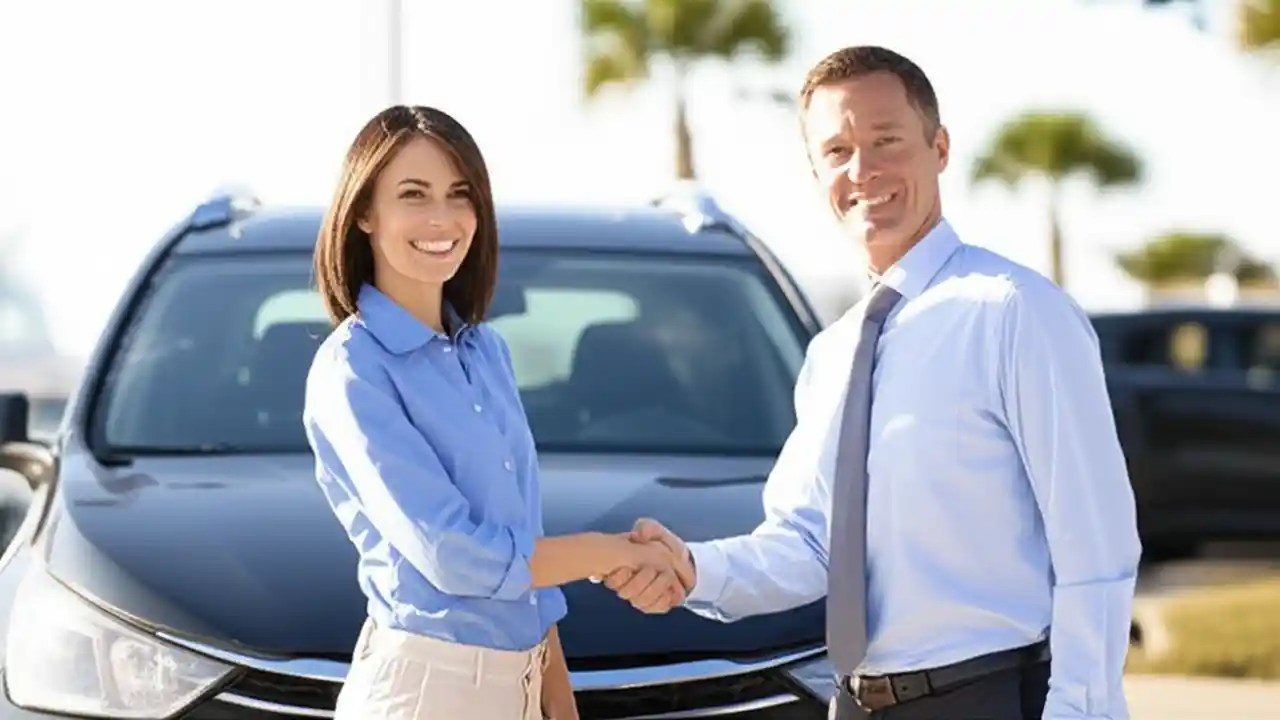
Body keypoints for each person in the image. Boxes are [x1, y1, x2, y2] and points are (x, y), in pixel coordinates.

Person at [605, 46, 1142, 720]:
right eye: (837, 150)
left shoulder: (1016, 312)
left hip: (991, 697)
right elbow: (808, 545)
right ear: (816, 170)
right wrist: (692, 568)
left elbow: (1097, 543)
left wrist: (1082, 711)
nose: (863, 171)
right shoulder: (834, 354)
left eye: (886, 140)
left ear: (939, 146)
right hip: (857, 703)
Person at [303, 105, 687, 720]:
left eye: (460, 194)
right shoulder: (354, 368)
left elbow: (521, 546)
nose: (442, 218)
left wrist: (557, 701)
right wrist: (613, 551)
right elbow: (454, 555)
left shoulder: (487, 353)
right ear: (365, 214)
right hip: (428, 693)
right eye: (414, 194)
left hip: (524, 684)